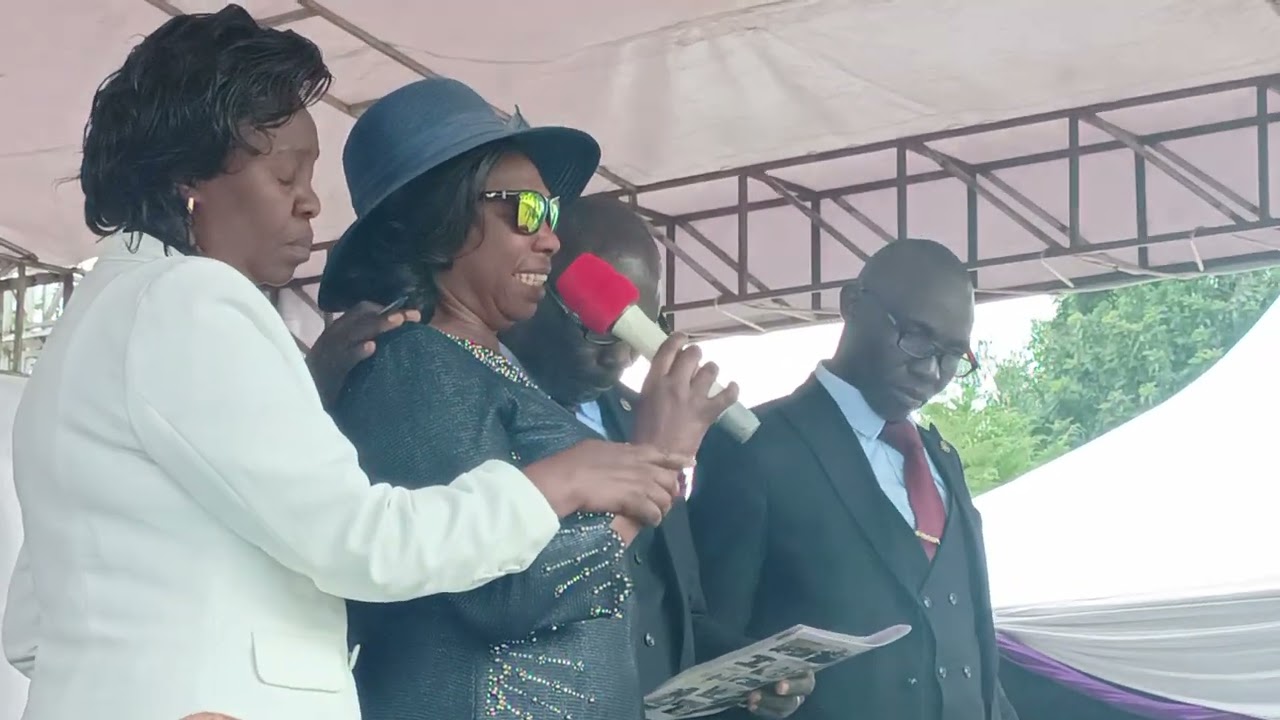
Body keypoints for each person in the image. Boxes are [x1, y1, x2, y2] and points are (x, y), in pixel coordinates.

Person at [0, 8, 684, 720]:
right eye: (285, 173)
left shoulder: (94, 321)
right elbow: (362, 542)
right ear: (186, 180)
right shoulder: (194, 300)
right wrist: (553, 485)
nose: (310, 204)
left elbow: (32, 626)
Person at [315, 77, 736, 720]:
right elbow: (505, 590)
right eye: (525, 212)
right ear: (441, 223)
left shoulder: (488, 366)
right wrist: (657, 455)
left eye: (552, 214)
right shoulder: (408, 365)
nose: (551, 239)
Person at [500, 196, 815, 718]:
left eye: (643, 324)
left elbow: (673, 610)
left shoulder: (635, 414)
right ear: (537, 287)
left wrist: (746, 666)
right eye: (602, 324)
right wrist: (655, 456)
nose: (622, 352)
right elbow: (507, 600)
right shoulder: (489, 411)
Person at [689, 239, 1020, 720]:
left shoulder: (943, 461)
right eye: (916, 338)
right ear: (851, 304)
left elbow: (971, 647)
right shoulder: (755, 447)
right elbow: (706, 646)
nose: (930, 370)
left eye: (952, 355)